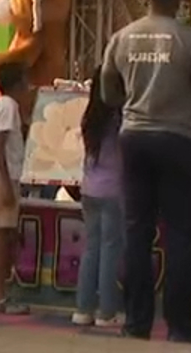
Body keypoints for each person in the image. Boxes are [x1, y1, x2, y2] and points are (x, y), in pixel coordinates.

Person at [101, 0, 191, 344]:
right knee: (181, 233)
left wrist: (132, 99)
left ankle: (137, 322)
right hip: (177, 138)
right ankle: (180, 325)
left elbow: (107, 92)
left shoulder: (121, 38)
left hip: (133, 138)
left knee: (137, 231)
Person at [73, 75, 124, 328]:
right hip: (114, 190)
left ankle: (83, 309)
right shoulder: (119, 120)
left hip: (89, 189)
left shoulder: (89, 119)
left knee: (91, 248)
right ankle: (106, 311)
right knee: (110, 250)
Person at [0, 61, 30, 315]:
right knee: (3, 235)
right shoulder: (9, 106)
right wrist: (5, 183)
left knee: (6, 234)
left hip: (3, 174)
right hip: (4, 175)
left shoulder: (4, 106)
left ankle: (0, 291)